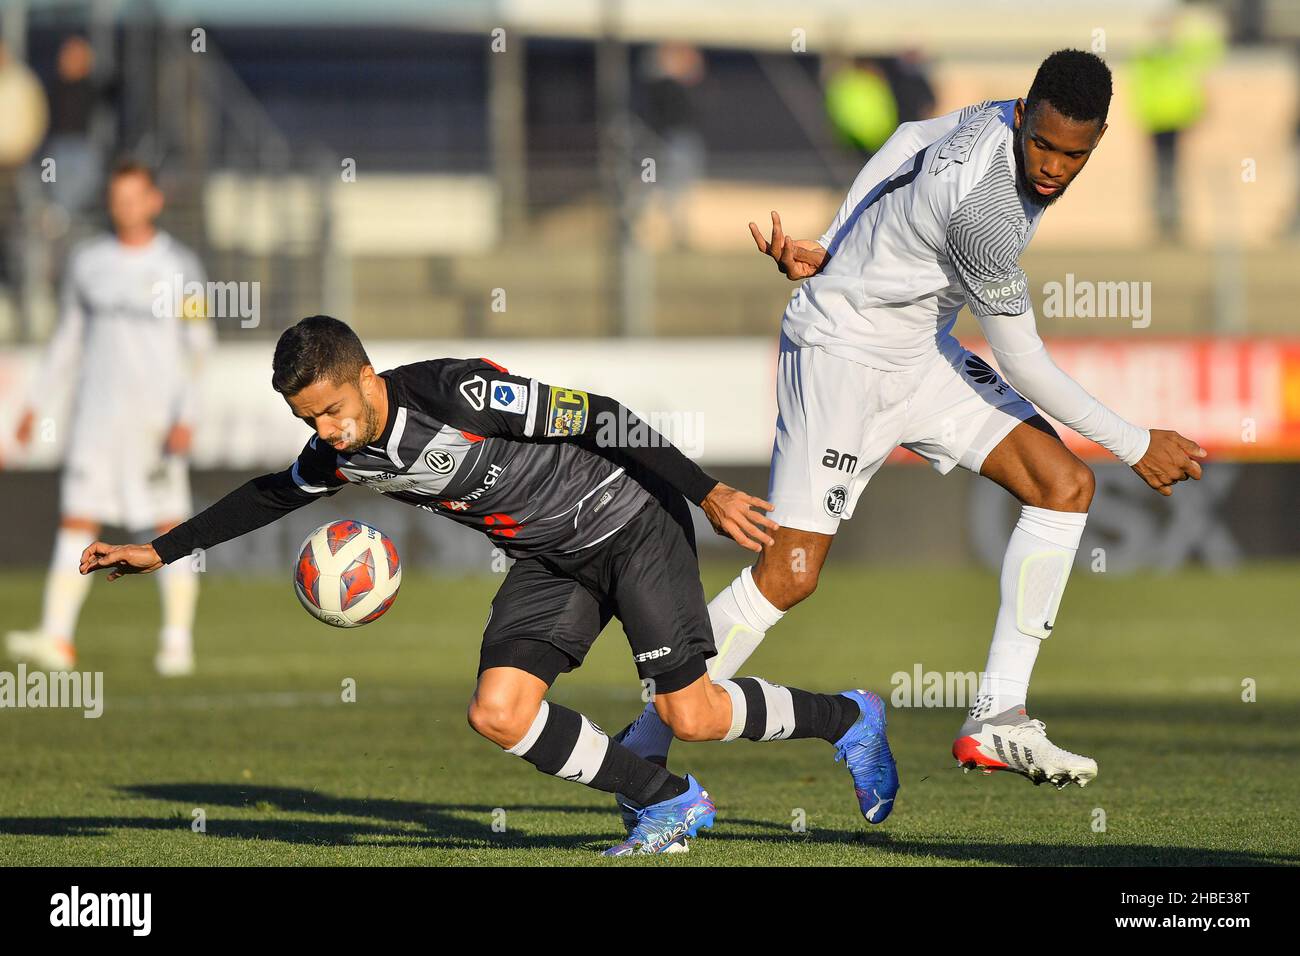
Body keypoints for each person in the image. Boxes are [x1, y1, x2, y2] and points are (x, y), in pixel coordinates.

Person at [78, 315, 900, 855]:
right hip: (548, 560)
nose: (323, 433)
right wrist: (162, 550)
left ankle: (849, 717)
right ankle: (667, 799)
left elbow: (599, 413)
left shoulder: (456, 391)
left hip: (631, 522)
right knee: (497, 712)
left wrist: (707, 491)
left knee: (694, 711)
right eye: (308, 422)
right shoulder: (340, 453)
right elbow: (268, 493)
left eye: (330, 411)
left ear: (365, 375)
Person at [614, 50, 1206, 795]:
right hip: (841, 351)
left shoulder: (991, 116)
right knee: (789, 574)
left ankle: (997, 716)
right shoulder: (984, 215)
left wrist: (830, 240)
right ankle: (645, 739)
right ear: (1023, 118)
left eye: (1074, 153)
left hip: (920, 348)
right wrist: (1138, 442)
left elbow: (902, 137)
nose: (1053, 167)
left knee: (1063, 484)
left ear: (1100, 137)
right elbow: (1025, 363)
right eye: (1044, 146)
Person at [6, 162, 212, 676]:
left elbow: (198, 345)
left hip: (153, 425)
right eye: (117, 197)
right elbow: (67, 341)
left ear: (153, 202)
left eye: (134, 197)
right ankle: (57, 638)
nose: (125, 207)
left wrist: (186, 414)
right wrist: (35, 404)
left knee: (167, 526)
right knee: (78, 518)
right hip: (95, 421)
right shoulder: (88, 262)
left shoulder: (179, 267)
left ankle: (176, 643)